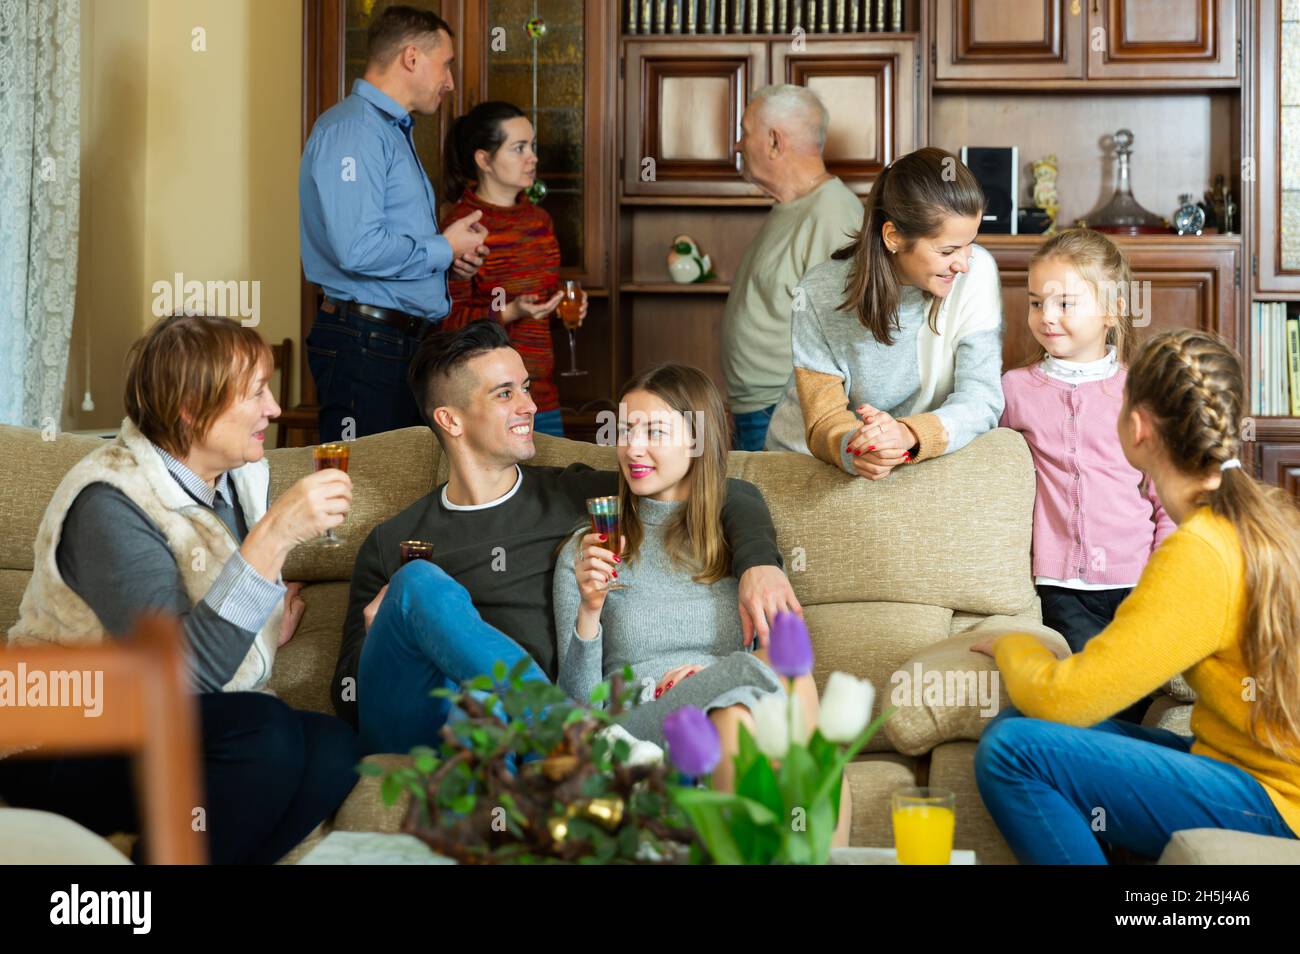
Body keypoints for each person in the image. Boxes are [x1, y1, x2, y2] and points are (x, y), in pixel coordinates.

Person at [334, 320, 801, 755]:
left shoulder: (570, 497)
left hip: (505, 729)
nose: (530, 406)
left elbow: (712, 490)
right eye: (505, 394)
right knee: (419, 583)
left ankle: (567, 746)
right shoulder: (390, 540)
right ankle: (571, 736)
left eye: (526, 388)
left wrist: (760, 560)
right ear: (451, 420)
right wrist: (386, 628)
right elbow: (347, 698)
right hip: (421, 711)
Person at [2, 316, 361, 864]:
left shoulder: (236, 481)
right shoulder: (109, 501)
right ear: (192, 407)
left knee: (336, 750)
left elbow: (218, 613)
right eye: (257, 392)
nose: (274, 409)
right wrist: (274, 535)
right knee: (265, 735)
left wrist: (266, 624)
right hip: (60, 740)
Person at [972, 329, 1300, 864]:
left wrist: (1015, 645)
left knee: (1013, 752)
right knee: (1021, 727)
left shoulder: (1200, 550)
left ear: (1139, 426)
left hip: (1274, 800)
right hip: (1241, 770)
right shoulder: (1259, 516)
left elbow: (1066, 698)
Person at [551, 363, 851, 841]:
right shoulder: (590, 549)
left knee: (759, 710)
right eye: (626, 430)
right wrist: (589, 609)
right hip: (640, 721)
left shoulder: (736, 544)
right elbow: (578, 710)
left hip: (737, 709)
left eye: (653, 431)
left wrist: (713, 681)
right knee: (760, 696)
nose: (633, 447)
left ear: (696, 439)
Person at [1000, 229, 1174, 723]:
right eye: (1036, 302)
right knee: (1087, 708)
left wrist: (1161, 577)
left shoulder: (1138, 391)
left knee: (1128, 701)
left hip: (1135, 584)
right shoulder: (1014, 390)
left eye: (1064, 302)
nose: (1046, 316)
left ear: (1112, 310)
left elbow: (1165, 497)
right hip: (1060, 588)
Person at [300, 6, 491, 442]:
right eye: (446, 65)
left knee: (404, 492)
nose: (450, 82)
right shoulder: (355, 132)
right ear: (411, 57)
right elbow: (358, 248)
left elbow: (381, 239)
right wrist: (443, 248)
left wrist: (448, 256)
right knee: (367, 495)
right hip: (369, 343)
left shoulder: (387, 132)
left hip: (398, 343)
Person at [764, 147, 1004, 480]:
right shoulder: (820, 292)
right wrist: (855, 448)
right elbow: (824, 418)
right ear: (893, 237)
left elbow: (982, 398)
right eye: (947, 250)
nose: (963, 262)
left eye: (970, 243)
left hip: (903, 455)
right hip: (807, 462)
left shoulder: (976, 274)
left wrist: (908, 435)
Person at [723, 85, 865, 451]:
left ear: (774, 141)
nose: (737, 146)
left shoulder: (832, 213)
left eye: (744, 132)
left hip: (781, 413)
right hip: (758, 409)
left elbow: (846, 332)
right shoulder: (791, 208)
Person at [440, 101, 587, 439]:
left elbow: (548, 302)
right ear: (484, 160)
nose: (532, 157)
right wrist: (510, 311)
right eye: (519, 148)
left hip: (542, 394)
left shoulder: (539, 222)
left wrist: (563, 307)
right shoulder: (462, 226)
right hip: (485, 401)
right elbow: (447, 324)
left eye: (532, 146)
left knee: (552, 486)